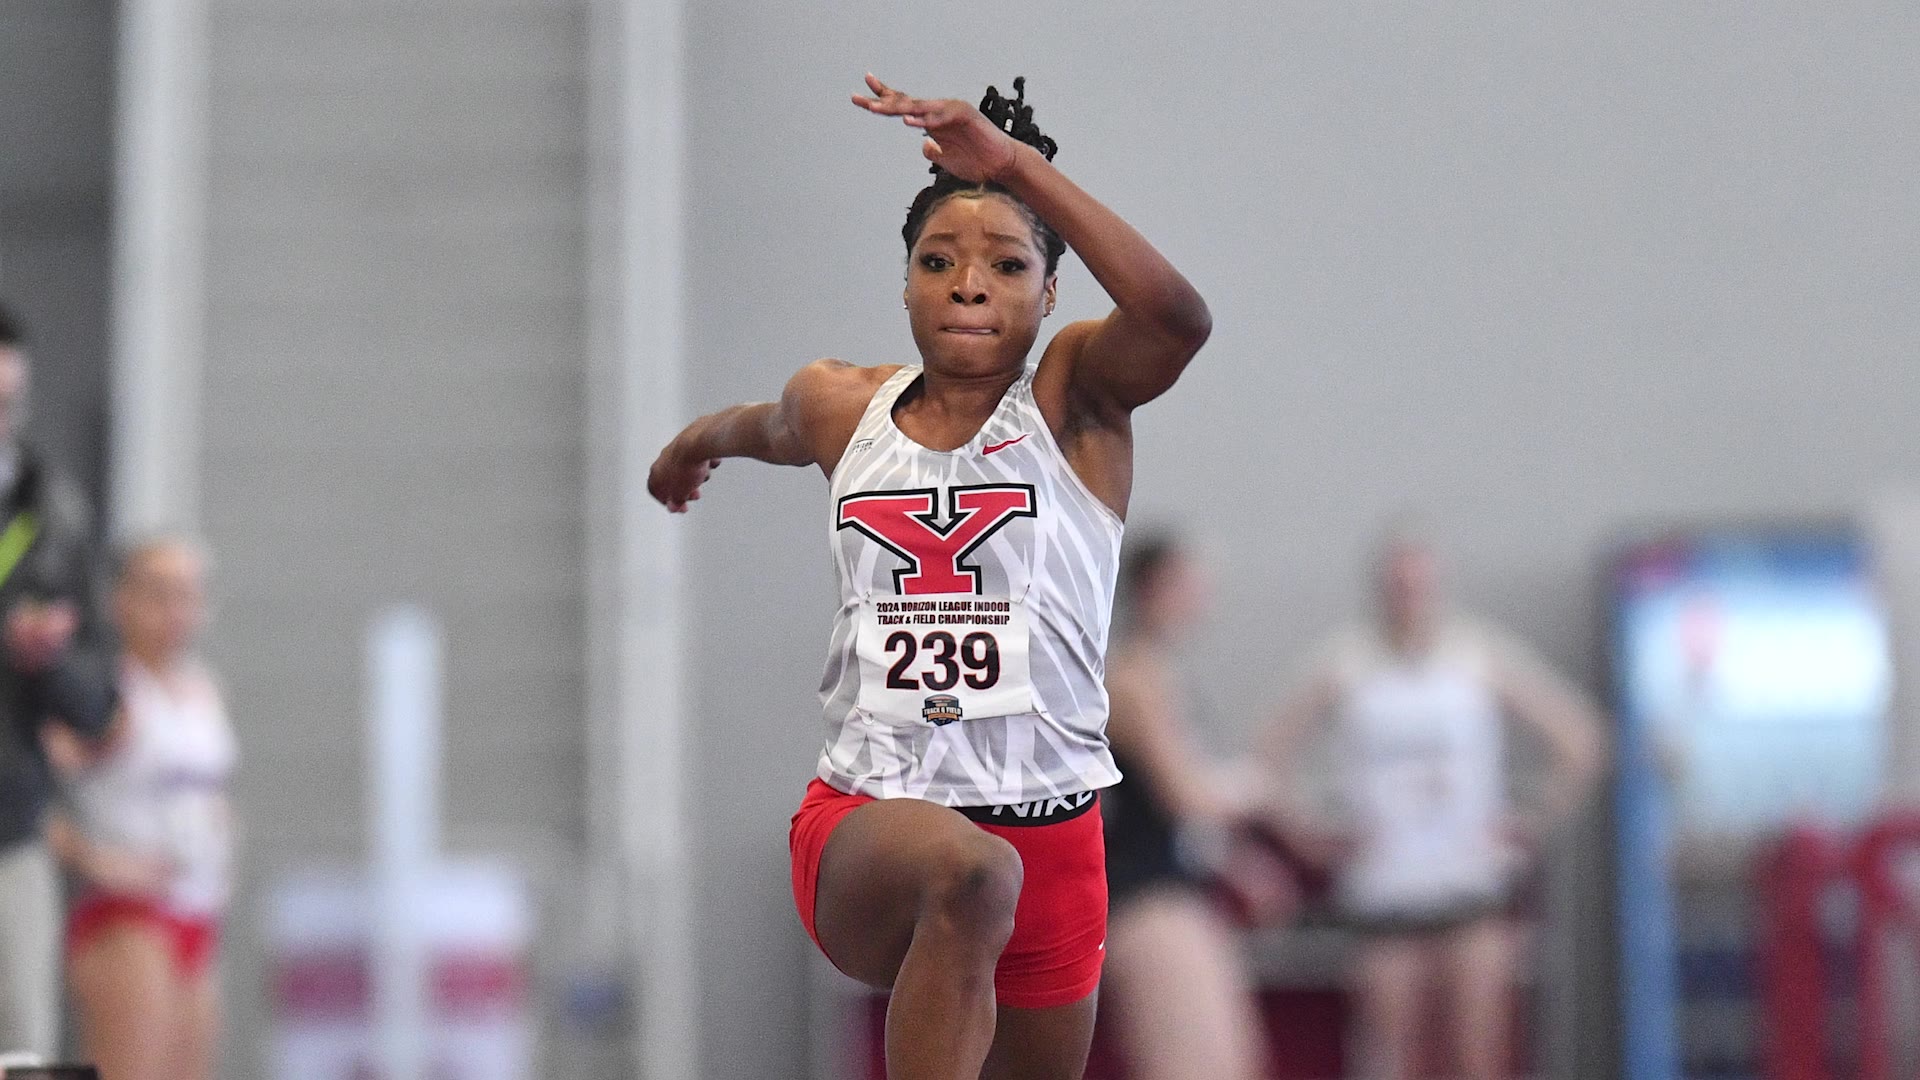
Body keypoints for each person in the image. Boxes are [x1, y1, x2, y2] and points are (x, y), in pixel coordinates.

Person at [648, 74, 1211, 1079]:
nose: (967, 284)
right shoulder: (841, 406)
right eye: (938, 261)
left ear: (1050, 293)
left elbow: (1176, 318)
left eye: (1005, 264)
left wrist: (1016, 168)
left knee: (997, 880)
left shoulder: (1077, 401)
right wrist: (692, 444)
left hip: (1055, 837)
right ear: (906, 281)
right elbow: (766, 428)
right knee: (971, 872)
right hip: (872, 825)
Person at [1262, 529, 1607, 1080]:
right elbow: (1269, 756)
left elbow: (1580, 737)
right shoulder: (1348, 663)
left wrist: (1532, 818)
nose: (1409, 596)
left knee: (1477, 1057)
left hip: (1470, 893)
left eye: (1419, 584)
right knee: (1387, 1056)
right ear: (1381, 590)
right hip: (1386, 896)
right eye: (1398, 585)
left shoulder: (1477, 655)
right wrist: (1312, 835)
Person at [1099, 534, 1289, 1080]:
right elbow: (1183, 794)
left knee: (1237, 1064)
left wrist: (1238, 864)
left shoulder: (1167, 676)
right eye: (1192, 582)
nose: (1204, 596)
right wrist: (1258, 787)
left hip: (1182, 893)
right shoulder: (1133, 677)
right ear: (1156, 587)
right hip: (1144, 900)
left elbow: (1182, 817)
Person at [44, 537, 234, 1080]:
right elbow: (27, 789)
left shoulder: (202, 690)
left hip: (196, 907)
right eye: (160, 594)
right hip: (128, 917)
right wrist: (89, 856)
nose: (177, 612)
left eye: (188, 595)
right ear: (120, 601)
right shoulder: (111, 697)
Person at [0, 300, 116, 1059]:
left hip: (9, 828)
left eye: (7, 403)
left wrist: (48, 658)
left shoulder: (56, 513)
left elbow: (99, 701)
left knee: (26, 1049)